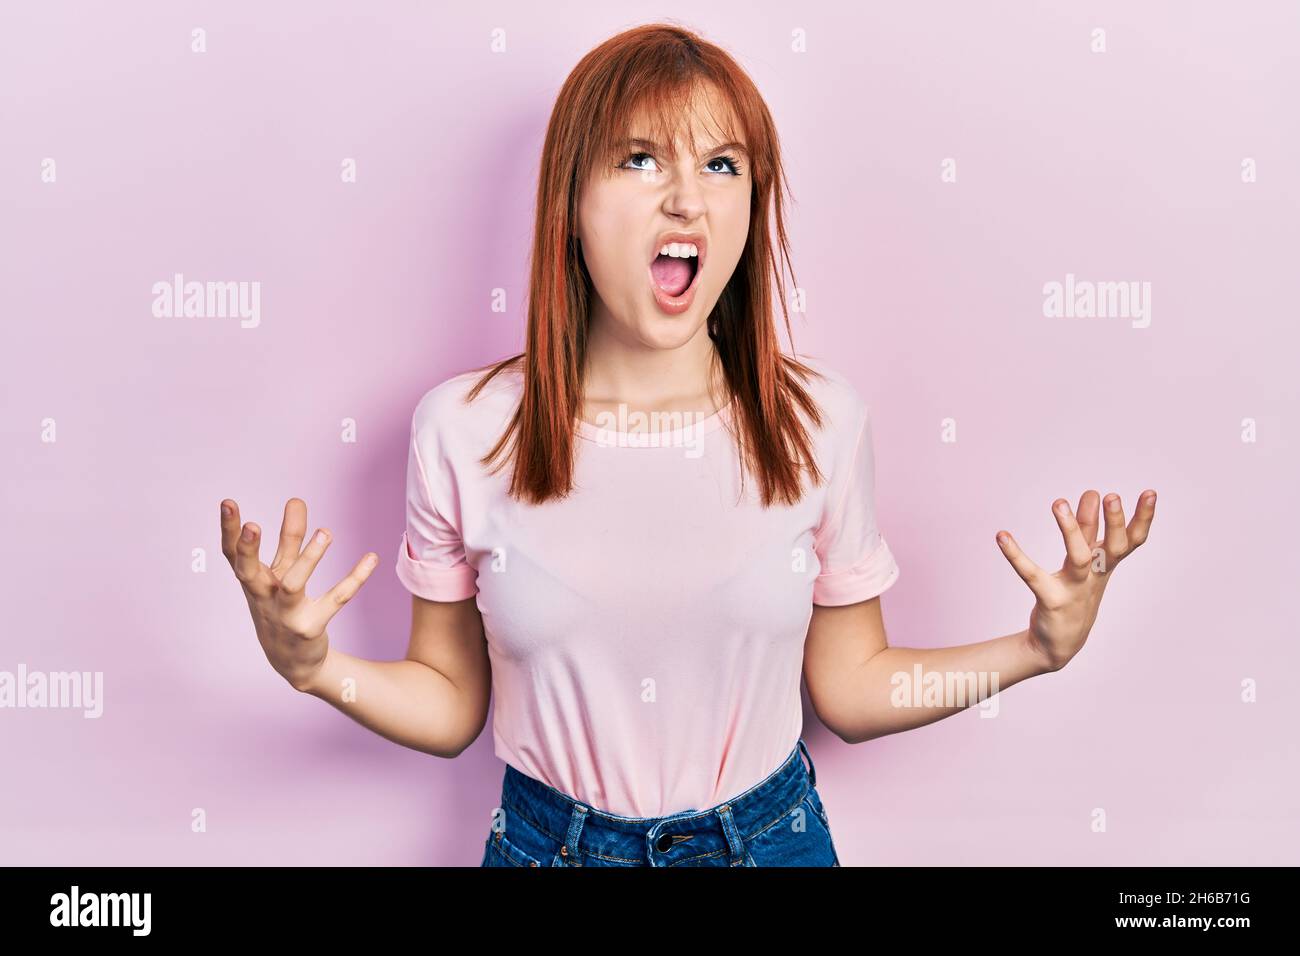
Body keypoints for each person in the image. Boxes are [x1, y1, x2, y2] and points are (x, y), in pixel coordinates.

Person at [219, 23, 1157, 868]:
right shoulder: (462, 430)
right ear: (570, 206)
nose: (686, 201)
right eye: (638, 160)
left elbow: (852, 685)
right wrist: (314, 669)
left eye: (721, 166)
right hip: (550, 846)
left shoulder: (821, 422)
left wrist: (1035, 649)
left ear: (751, 210)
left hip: (770, 843)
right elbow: (451, 702)